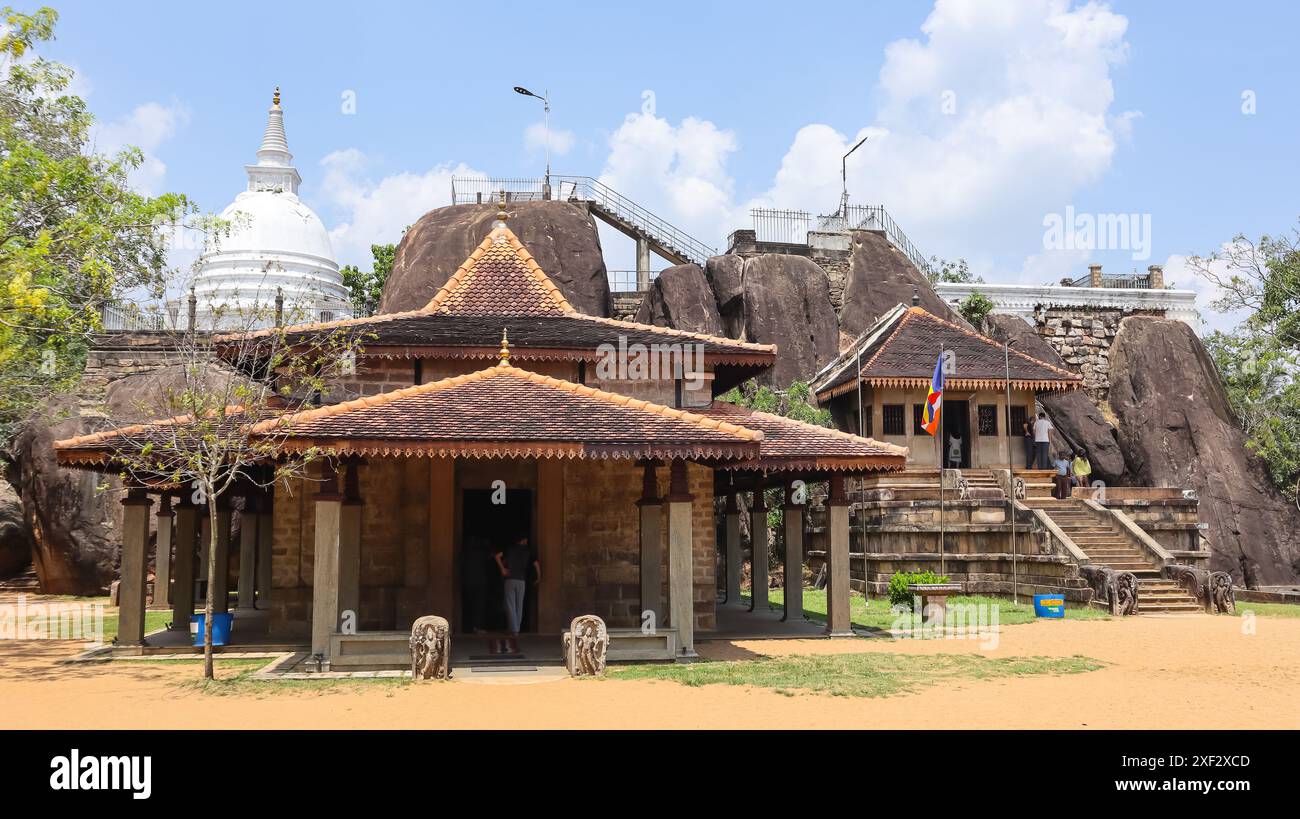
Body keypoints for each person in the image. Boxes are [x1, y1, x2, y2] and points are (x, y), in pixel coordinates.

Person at [494, 534, 540, 655]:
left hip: (510, 579)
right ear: (524, 540)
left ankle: (513, 630)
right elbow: (536, 564)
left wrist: (502, 569)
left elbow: (497, 556)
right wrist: (538, 577)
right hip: (521, 581)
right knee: (519, 605)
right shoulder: (528, 551)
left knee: (510, 605)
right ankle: (516, 629)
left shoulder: (509, 549)